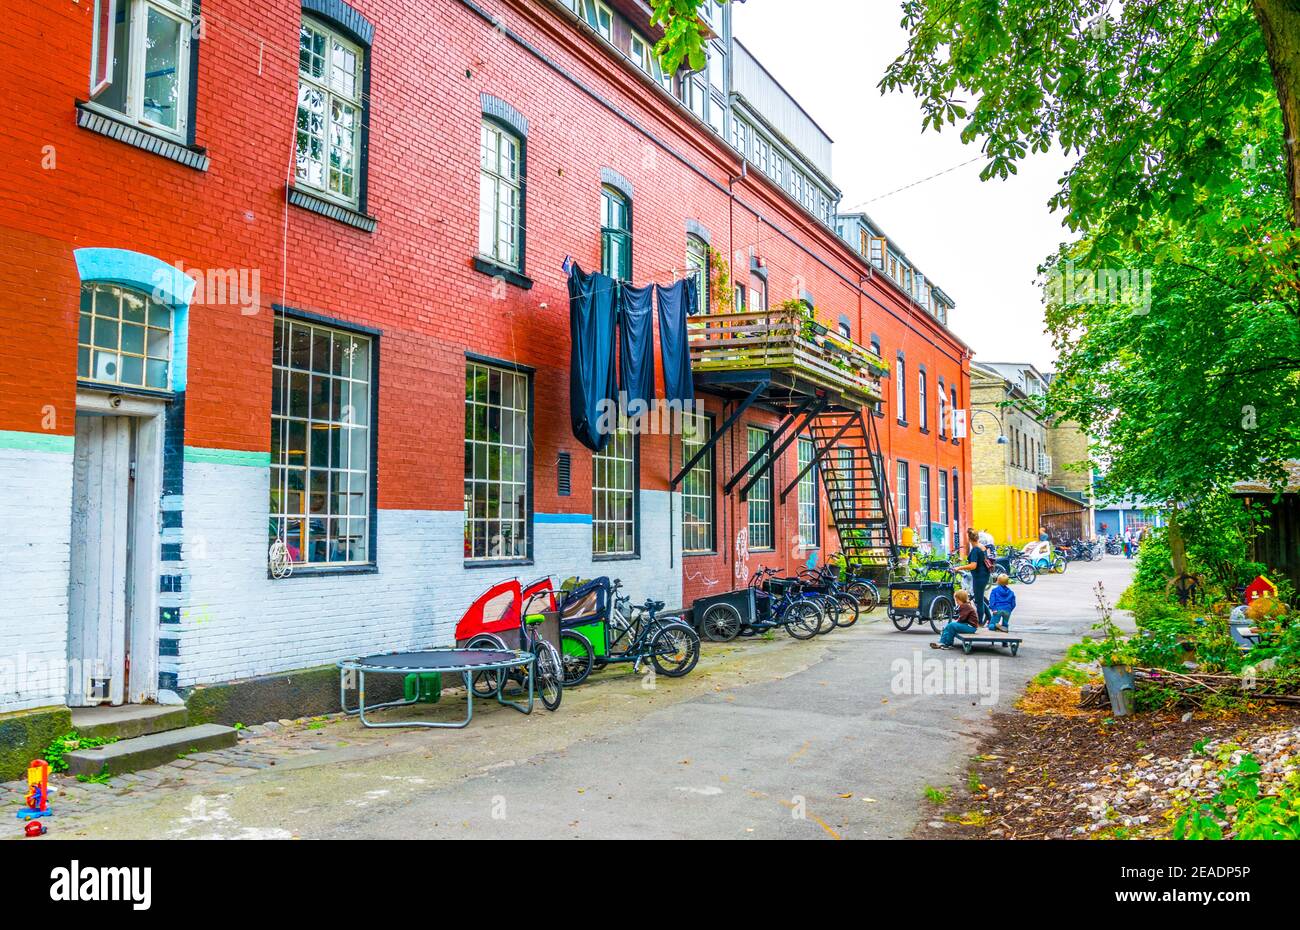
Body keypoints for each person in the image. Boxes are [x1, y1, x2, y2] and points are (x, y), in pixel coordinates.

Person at [955, 527, 992, 628]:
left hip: (979, 576)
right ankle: (990, 618)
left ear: (969, 539)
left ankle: (979, 623)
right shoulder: (982, 546)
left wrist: (959, 567)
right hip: (983, 575)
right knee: (979, 598)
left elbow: (973, 565)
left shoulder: (975, 549)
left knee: (978, 601)